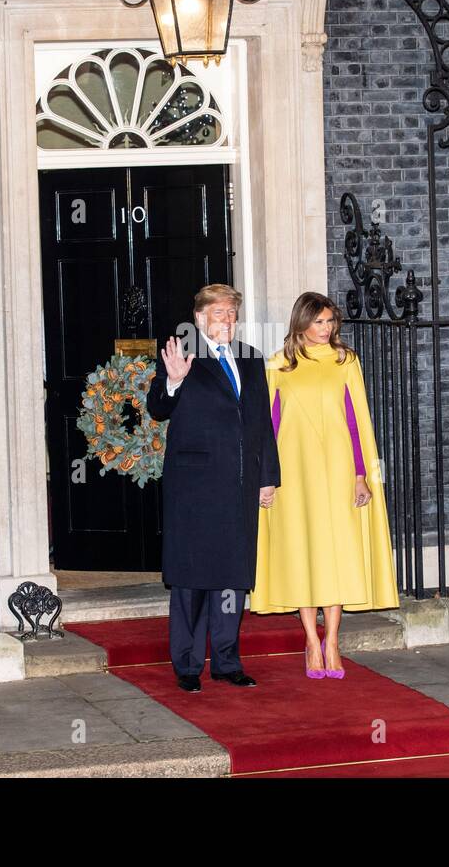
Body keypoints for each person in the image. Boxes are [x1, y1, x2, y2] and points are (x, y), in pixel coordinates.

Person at [250, 292, 399, 679]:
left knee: (335, 552)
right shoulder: (278, 365)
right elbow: (270, 426)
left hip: (337, 471)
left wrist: (361, 475)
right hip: (294, 474)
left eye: (330, 321)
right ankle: (310, 641)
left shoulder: (345, 360)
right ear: (301, 323)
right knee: (304, 551)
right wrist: (268, 477)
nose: (326, 328)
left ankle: (332, 639)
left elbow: (356, 422)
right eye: (318, 322)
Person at [146, 283, 281, 692]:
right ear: (200, 317)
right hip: (195, 488)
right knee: (192, 577)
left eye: (233, 313)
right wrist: (172, 382)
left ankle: (226, 661)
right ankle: (187, 666)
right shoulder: (184, 357)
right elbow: (158, 408)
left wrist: (267, 477)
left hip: (239, 487)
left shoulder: (251, 360)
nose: (228, 320)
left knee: (231, 577)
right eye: (220, 313)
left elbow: (262, 425)